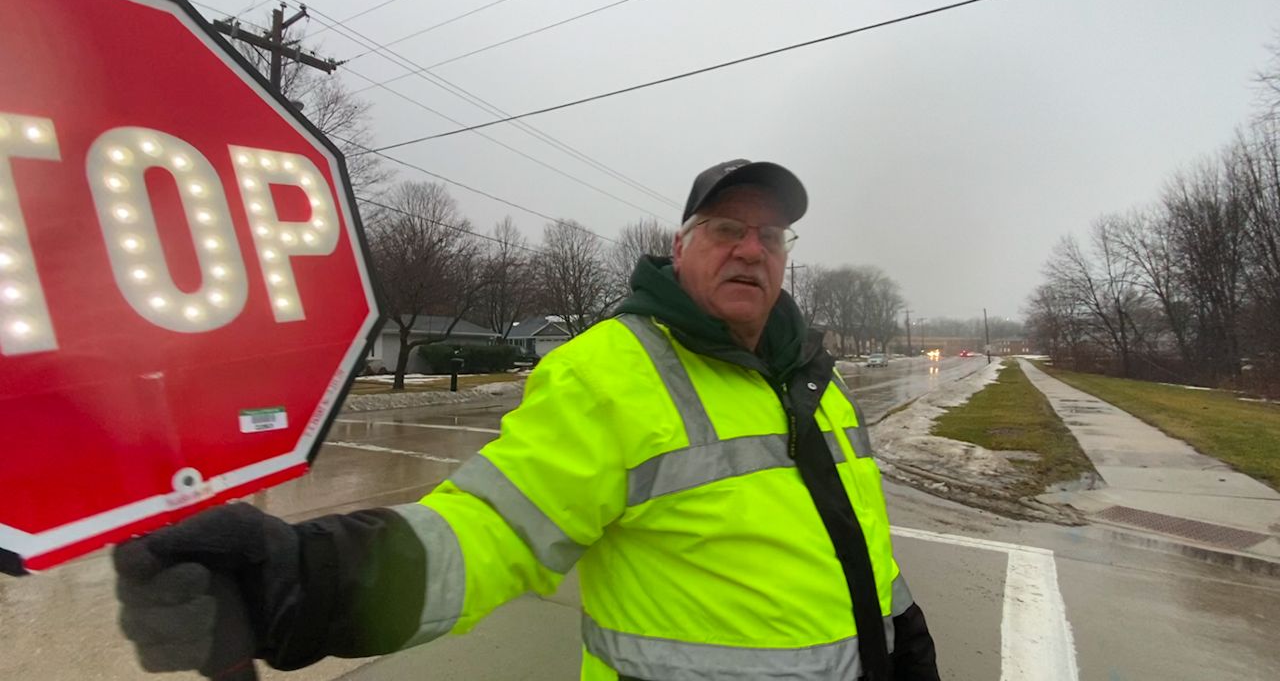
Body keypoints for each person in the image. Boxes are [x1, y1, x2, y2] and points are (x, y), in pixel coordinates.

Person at [115, 160, 940, 680]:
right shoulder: (609, 370)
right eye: (727, 229)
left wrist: (903, 638)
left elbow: (857, 546)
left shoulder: (812, 377)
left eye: (770, 234)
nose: (751, 248)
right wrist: (303, 581)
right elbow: (491, 534)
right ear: (681, 245)